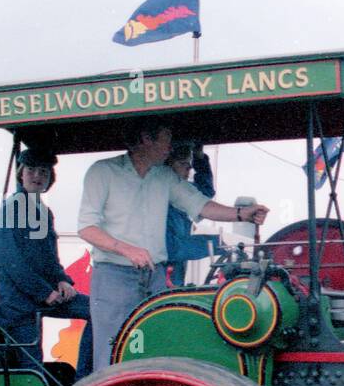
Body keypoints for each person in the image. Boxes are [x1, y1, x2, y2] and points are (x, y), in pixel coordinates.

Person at [78, 119, 268, 370]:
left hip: (153, 276)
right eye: (167, 139)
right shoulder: (102, 172)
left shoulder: (164, 176)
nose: (171, 147)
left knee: (154, 347)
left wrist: (242, 214)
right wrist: (126, 248)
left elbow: (200, 204)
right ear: (147, 139)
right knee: (111, 352)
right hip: (114, 276)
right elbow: (86, 227)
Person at [0, 149, 93, 378]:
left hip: (46, 296)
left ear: (50, 178)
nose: (37, 176)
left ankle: (83, 382)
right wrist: (44, 291)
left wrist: (62, 280)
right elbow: (12, 263)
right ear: (21, 173)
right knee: (32, 372)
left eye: (44, 171)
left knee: (97, 310)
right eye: (31, 170)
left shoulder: (42, 211)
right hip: (19, 304)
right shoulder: (10, 210)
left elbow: (49, 258)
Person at [165, 142, 220, 286]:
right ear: (168, 165)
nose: (190, 168)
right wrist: (216, 244)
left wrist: (199, 157)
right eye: (184, 163)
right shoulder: (159, 195)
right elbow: (171, 247)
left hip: (177, 266)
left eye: (190, 164)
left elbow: (205, 191)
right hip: (163, 269)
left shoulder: (184, 190)